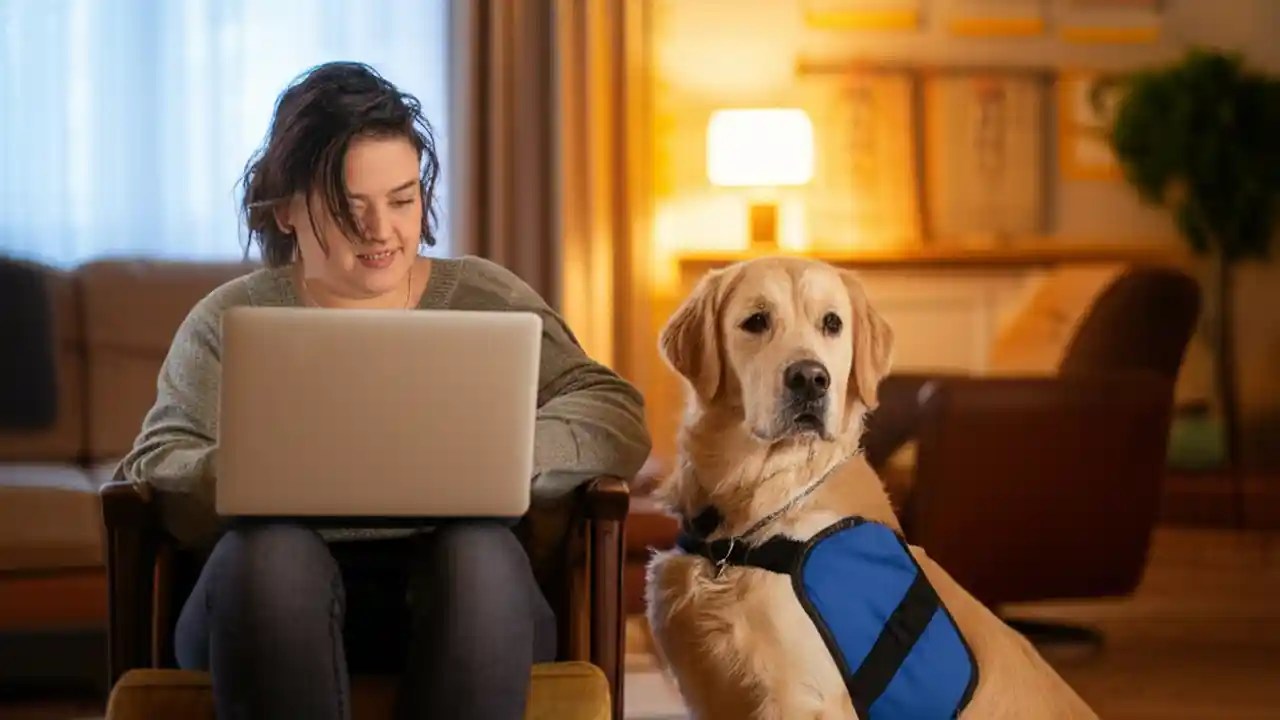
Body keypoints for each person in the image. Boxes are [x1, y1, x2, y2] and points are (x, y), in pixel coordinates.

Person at [119, 61, 651, 720]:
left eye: (402, 200)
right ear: (285, 210)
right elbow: (154, 465)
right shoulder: (226, 320)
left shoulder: (488, 297)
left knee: (478, 552)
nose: (381, 230)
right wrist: (265, 470)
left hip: (463, 608)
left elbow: (615, 412)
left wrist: (506, 451)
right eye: (349, 208)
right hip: (262, 611)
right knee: (270, 556)